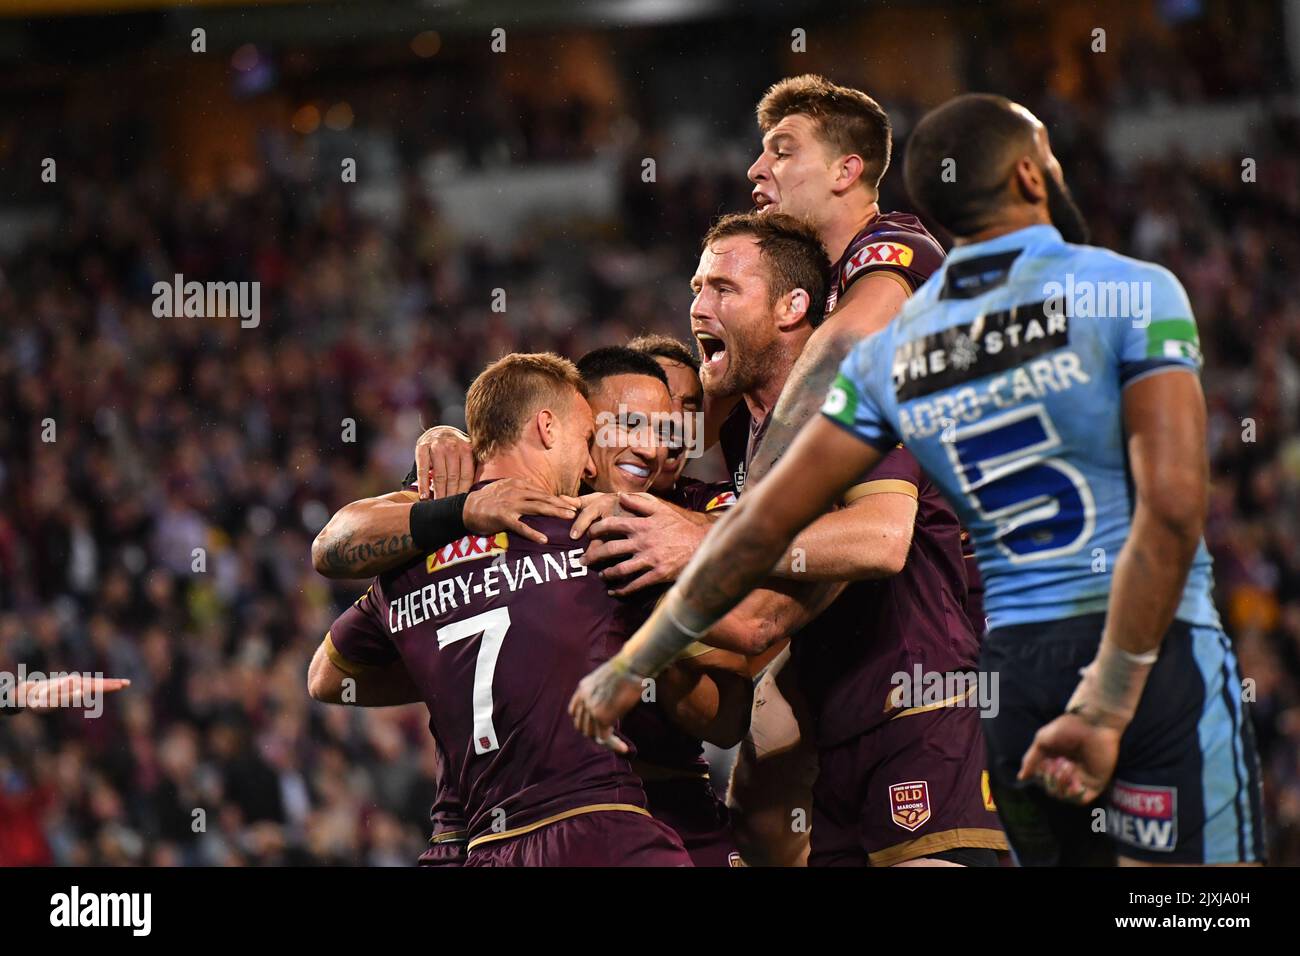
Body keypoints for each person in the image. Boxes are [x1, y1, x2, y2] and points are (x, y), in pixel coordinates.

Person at [570, 94, 1265, 867]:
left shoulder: (894, 259)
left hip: (971, 641)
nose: (755, 167)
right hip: (881, 684)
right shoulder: (790, 348)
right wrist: (503, 451)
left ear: (848, 170)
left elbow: (867, 475)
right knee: (773, 725)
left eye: (782, 148)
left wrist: (722, 524)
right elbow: (661, 405)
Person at [309, 352, 692, 865]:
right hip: (597, 826)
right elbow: (748, 637)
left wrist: (447, 658)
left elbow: (325, 676)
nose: (588, 466)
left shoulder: (407, 560)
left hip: (476, 844)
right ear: (547, 427)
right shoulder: (587, 532)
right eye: (586, 443)